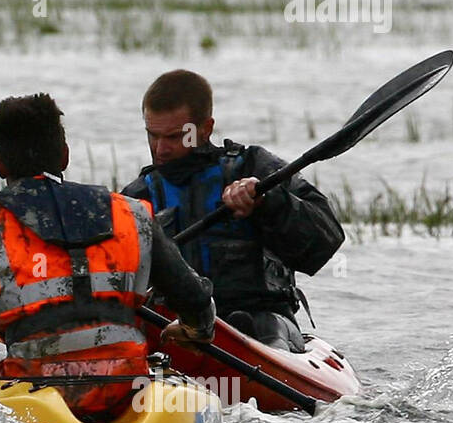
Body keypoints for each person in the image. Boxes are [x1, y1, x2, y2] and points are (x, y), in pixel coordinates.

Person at [0, 93, 216, 423]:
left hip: (34, 391)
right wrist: (195, 330)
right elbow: (195, 299)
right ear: (64, 156)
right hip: (123, 389)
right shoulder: (131, 214)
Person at [119, 70, 344, 353]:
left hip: (261, 322)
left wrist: (269, 202)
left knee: (263, 329)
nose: (161, 149)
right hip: (175, 327)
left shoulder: (256, 169)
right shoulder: (136, 198)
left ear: (205, 128)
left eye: (175, 137)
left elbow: (326, 241)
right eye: (153, 136)